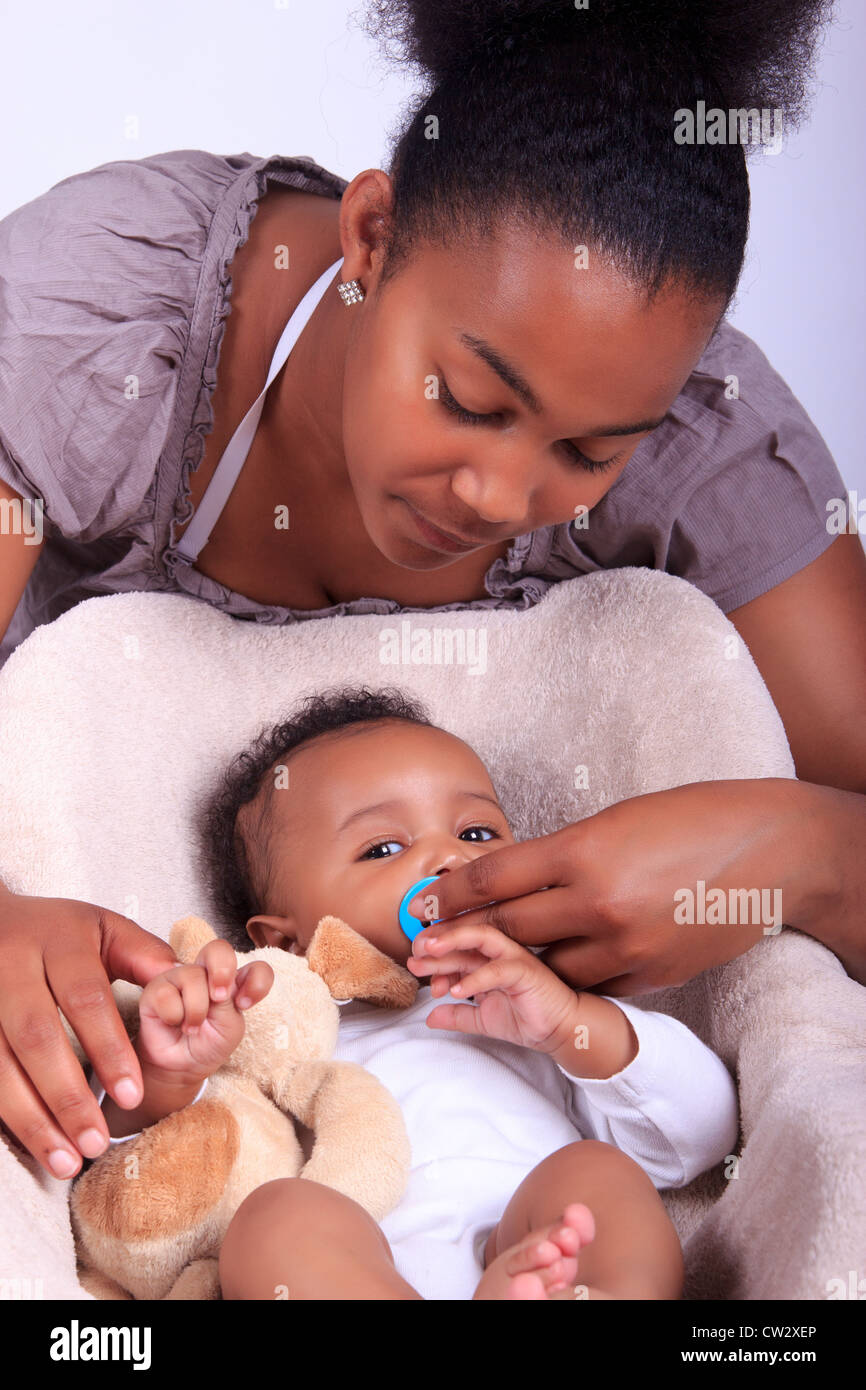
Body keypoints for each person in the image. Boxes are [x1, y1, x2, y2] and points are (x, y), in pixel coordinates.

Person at [0, 0, 862, 1191]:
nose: (500, 492)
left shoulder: (701, 443)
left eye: (590, 452)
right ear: (370, 235)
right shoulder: (106, 313)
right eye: (467, 397)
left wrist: (802, 849)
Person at [90, 686, 739, 1300]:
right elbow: (167, 1157)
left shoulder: (540, 997)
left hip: (551, 1254)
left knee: (601, 1174)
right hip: (369, 1269)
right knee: (274, 1217)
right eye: (384, 847)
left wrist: (570, 1021)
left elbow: (699, 1138)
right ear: (285, 943)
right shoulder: (275, 1021)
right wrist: (172, 1072)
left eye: (478, 835)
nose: (450, 860)